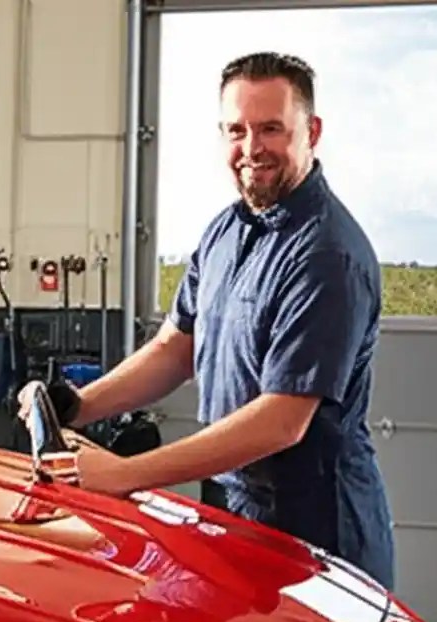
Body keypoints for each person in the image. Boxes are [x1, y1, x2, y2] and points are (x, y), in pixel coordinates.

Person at [19, 51, 395, 591]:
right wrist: (77, 405)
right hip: (234, 510)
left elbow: (281, 421)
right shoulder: (226, 231)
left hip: (316, 531)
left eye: (271, 129)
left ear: (311, 131)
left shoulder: (326, 254)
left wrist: (124, 476)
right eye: (236, 130)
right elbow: (177, 347)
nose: (251, 148)